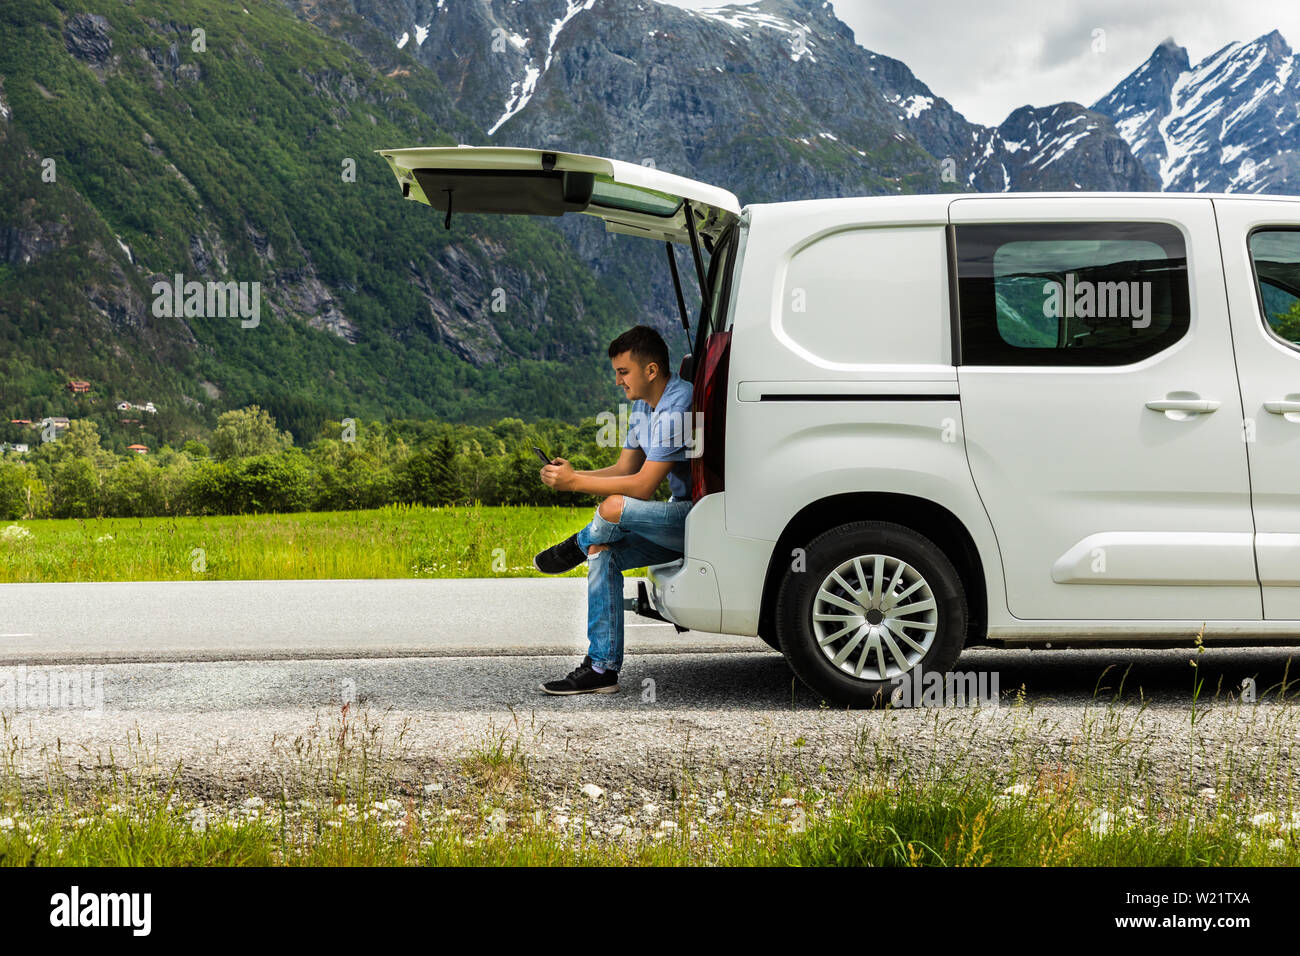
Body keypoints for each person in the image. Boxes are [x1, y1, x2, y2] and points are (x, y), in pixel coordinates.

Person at [533, 325, 696, 695]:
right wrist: (572, 474)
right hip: (673, 515)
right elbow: (625, 469)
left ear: (651, 370)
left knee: (612, 507)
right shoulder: (642, 405)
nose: (618, 382)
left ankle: (575, 543)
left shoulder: (678, 403)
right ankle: (602, 668)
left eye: (624, 372)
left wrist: (575, 483)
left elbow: (642, 485)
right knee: (601, 551)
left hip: (697, 519)